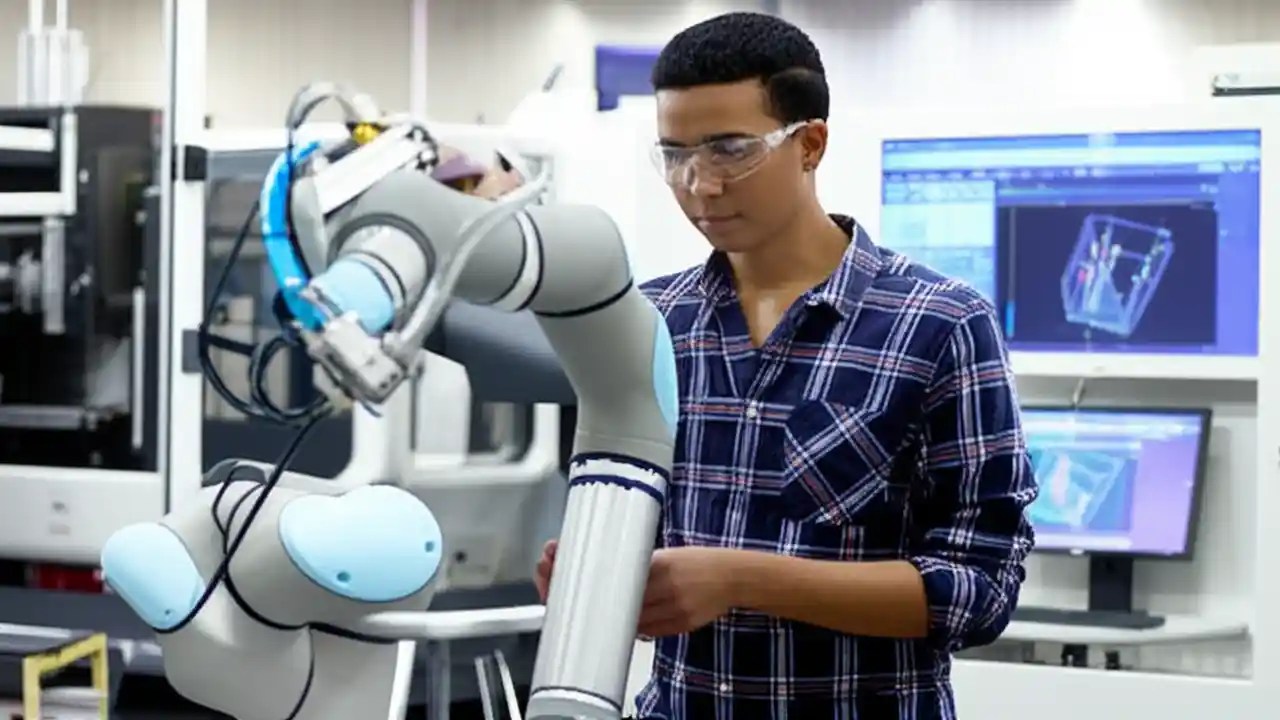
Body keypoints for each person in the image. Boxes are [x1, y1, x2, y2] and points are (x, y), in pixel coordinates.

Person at [534, 11, 1037, 719]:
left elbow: (980, 591)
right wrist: (600, 576)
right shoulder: (651, 322)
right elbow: (643, 538)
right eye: (675, 155)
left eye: (730, 150)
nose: (699, 185)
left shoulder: (939, 323)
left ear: (810, 144)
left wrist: (741, 580)